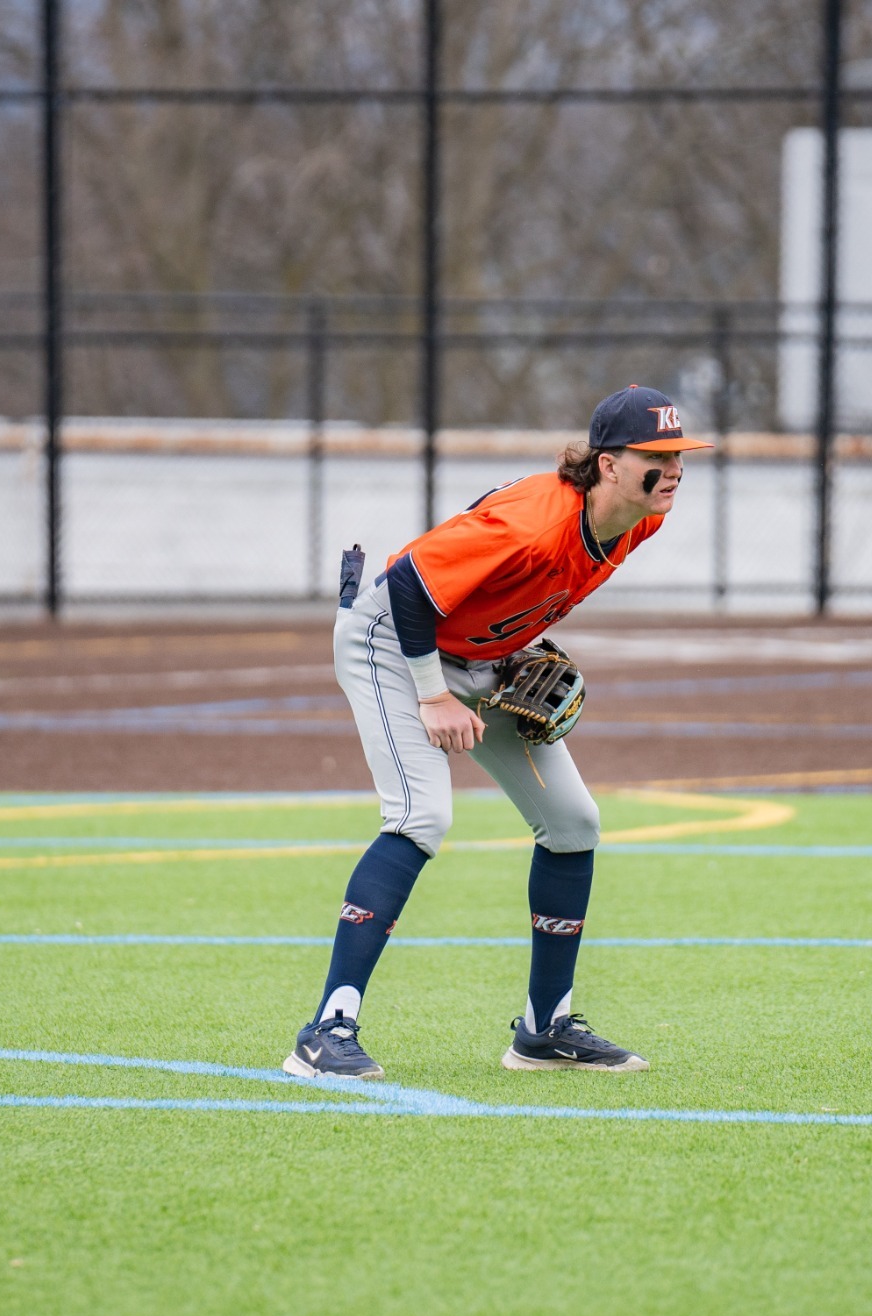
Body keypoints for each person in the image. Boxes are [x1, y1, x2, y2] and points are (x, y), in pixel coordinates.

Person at [284, 385, 711, 1079]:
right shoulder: (536, 520)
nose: (674, 470)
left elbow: (520, 589)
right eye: (656, 457)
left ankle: (544, 1029)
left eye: (679, 455)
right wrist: (433, 696)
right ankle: (325, 1030)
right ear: (607, 465)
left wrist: (515, 645)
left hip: (476, 656)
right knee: (421, 815)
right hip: (390, 640)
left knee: (573, 823)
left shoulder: (636, 521)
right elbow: (409, 586)